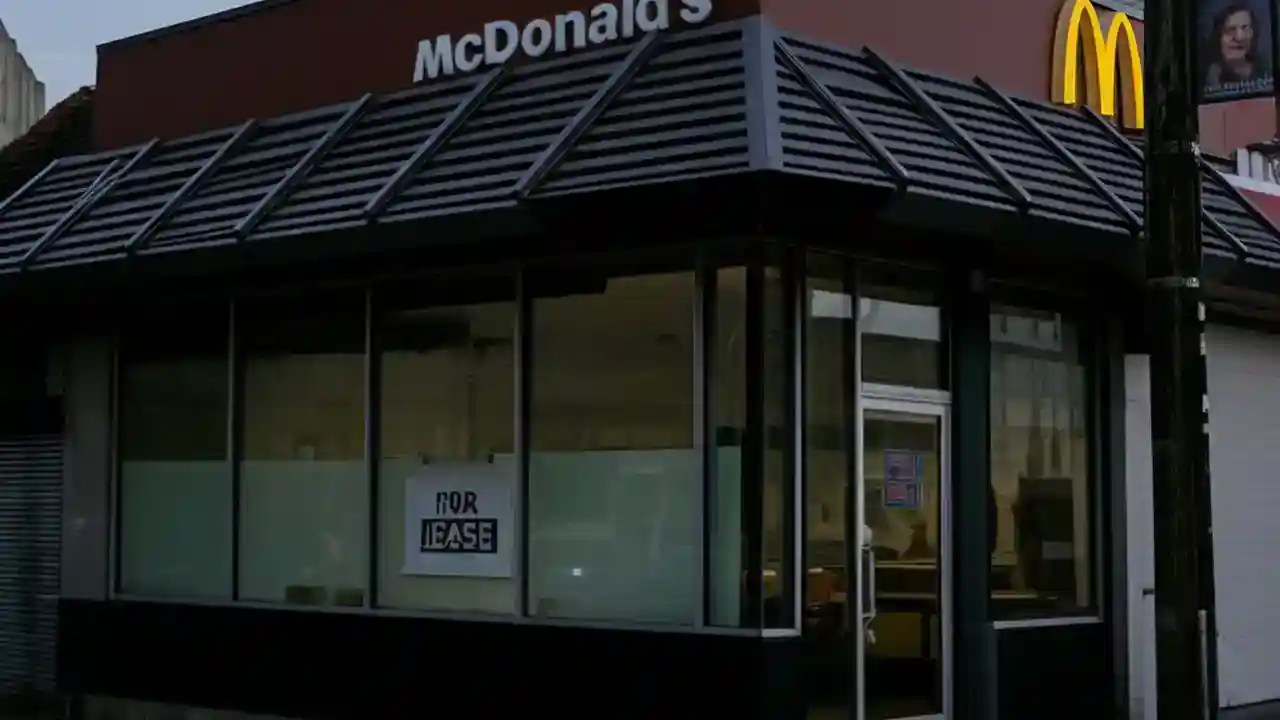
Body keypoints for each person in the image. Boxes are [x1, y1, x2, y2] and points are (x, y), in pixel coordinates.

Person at [1202, 3, 1272, 92]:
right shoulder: (1209, 77)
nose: (1240, 37)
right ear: (1218, 36)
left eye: (1245, 28)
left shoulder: (1265, 69)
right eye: (1231, 30)